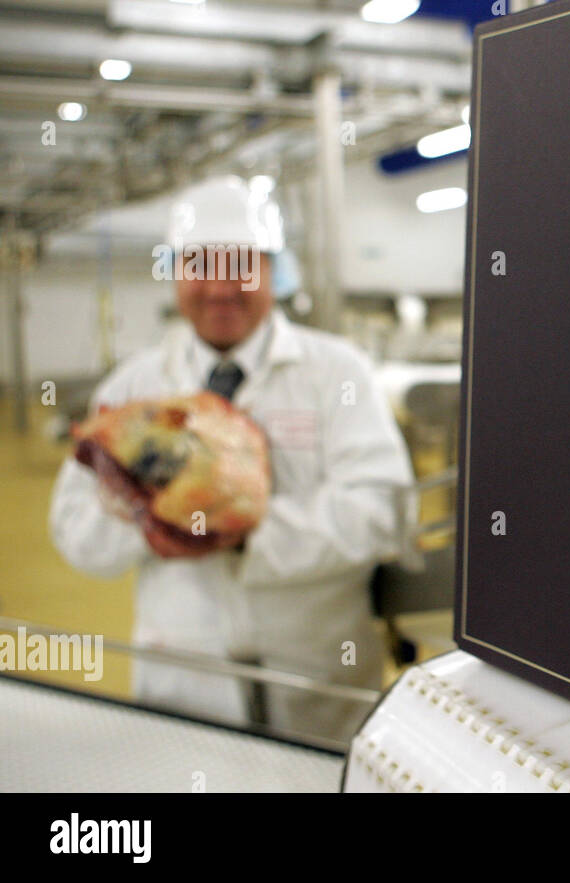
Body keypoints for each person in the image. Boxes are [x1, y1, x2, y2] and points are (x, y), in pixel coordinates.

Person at [49, 175, 414, 743]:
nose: (221, 287)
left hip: (316, 678)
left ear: (275, 270)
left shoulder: (337, 373)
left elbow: (380, 509)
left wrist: (240, 534)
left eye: (242, 263)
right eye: (199, 265)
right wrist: (150, 524)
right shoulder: (133, 390)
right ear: (174, 273)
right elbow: (74, 529)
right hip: (188, 683)